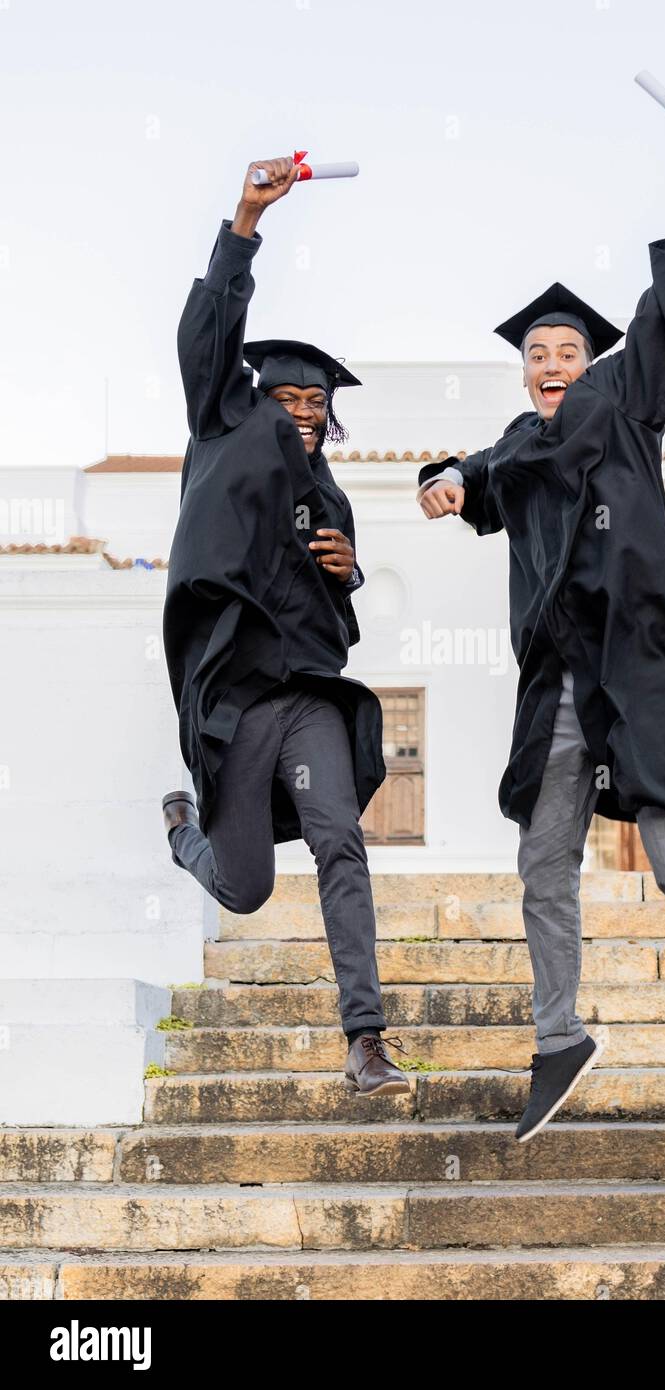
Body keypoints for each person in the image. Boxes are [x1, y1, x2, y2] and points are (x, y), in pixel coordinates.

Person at [417, 137, 665, 1150]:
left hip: (636, 676)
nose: (552, 365)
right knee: (542, 862)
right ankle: (558, 1035)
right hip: (556, 689)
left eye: (566, 352)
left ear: (589, 365)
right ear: (523, 375)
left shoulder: (626, 403)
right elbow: (461, 474)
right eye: (536, 356)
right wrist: (438, 483)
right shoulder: (517, 450)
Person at [162, 157, 408, 1098]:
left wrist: (340, 579)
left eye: (316, 405)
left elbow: (327, 622)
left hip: (306, 696)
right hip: (236, 699)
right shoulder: (224, 435)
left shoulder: (329, 493)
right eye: (289, 399)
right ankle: (184, 831)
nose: (304, 414)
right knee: (246, 887)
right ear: (257, 400)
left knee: (341, 841)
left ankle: (365, 1041)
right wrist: (245, 220)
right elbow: (207, 340)